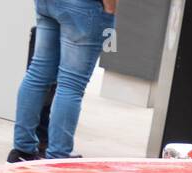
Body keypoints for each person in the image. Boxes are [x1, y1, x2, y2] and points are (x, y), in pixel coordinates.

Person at [10, 0, 117, 162]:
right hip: (83, 8)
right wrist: (110, 10)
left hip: (48, 4)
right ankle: (58, 156)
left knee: (37, 74)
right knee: (71, 85)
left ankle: (22, 151)